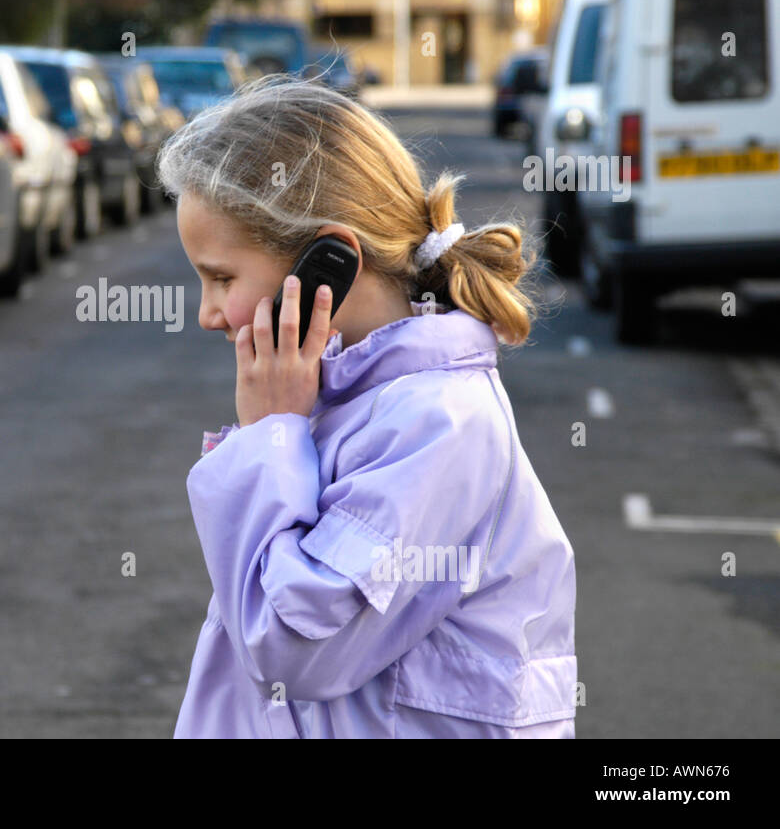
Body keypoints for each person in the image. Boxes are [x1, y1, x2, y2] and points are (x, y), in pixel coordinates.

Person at [158, 74, 576, 738]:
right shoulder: (341, 401)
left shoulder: (436, 424)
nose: (209, 314)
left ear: (331, 264)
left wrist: (270, 435)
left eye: (221, 278)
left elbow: (295, 649)